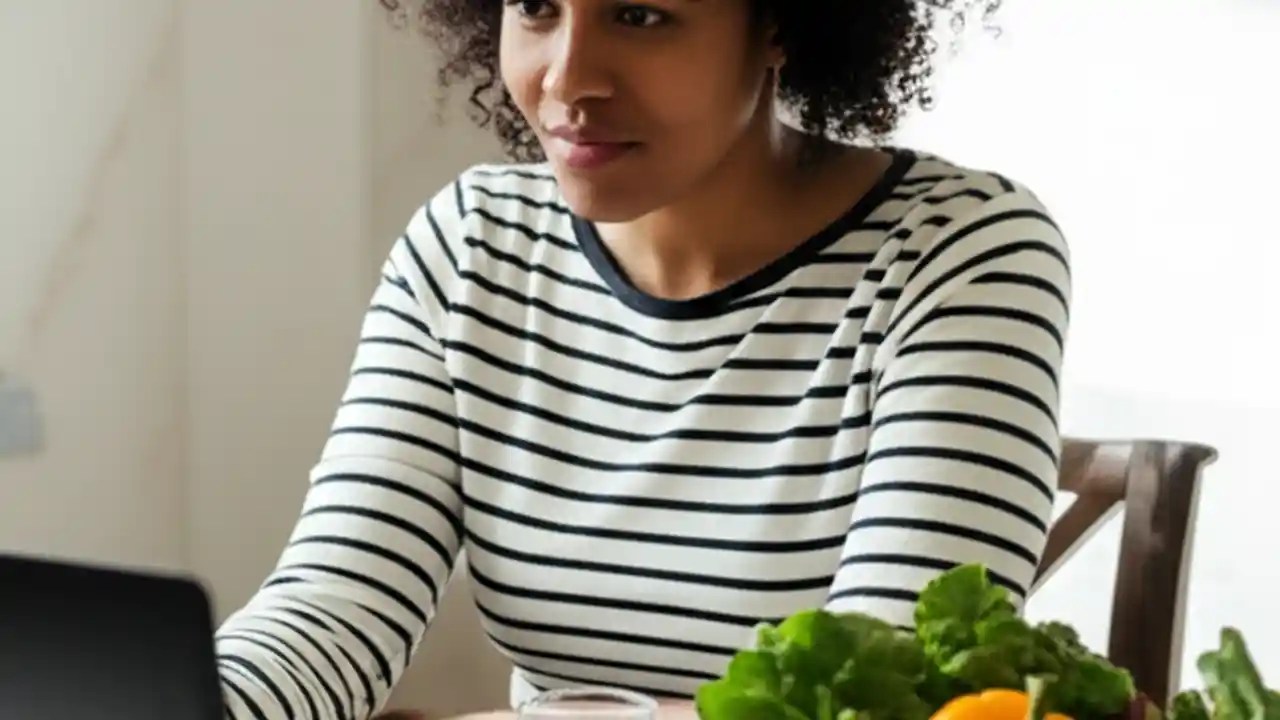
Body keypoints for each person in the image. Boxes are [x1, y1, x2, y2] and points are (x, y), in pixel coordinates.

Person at [214, 0, 1070, 718]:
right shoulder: (475, 244)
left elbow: (896, 694)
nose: (566, 78)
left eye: (640, 14)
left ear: (780, 21)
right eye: (537, 6)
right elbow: (333, 609)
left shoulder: (961, 253)